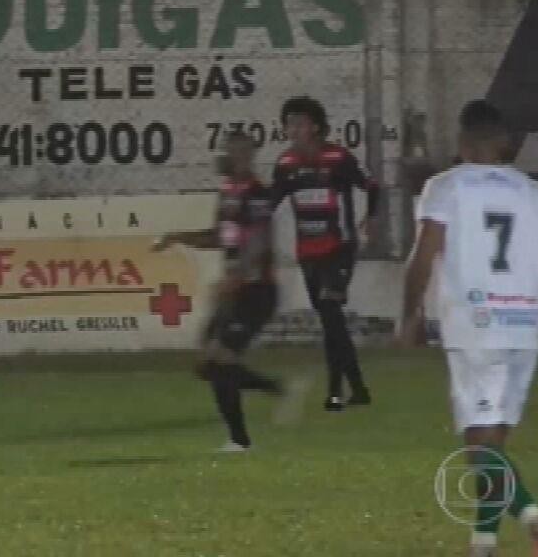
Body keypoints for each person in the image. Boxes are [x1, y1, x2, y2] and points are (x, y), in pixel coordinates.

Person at [400, 100, 538, 557]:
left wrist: (409, 314)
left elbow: (424, 253)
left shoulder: (445, 187)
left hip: (476, 327)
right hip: (523, 330)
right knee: (491, 444)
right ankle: (486, 544)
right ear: (506, 144)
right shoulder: (536, 193)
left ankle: (535, 523)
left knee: (481, 449)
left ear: (463, 143)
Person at [154, 133, 305, 452]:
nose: (232, 157)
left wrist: (236, 277)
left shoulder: (259, 195)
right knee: (207, 365)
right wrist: (178, 237)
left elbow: (259, 243)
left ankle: (240, 440)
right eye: (229, 151)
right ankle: (278, 390)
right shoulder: (228, 193)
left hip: (256, 291)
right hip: (233, 291)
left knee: (221, 359)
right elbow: (219, 237)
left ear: (248, 156)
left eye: (239, 152)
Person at [272, 96, 377, 411]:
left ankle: (335, 392)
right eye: (289, 124)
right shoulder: (286, 164)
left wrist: (371, 217)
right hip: (307, 252)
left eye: (299, 123)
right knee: (331, 321)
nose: (293, 129)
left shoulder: (337, 157)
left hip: (339, 248)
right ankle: (358, 389)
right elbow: (271, 201)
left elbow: (372, 185)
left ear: (315, 127)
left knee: (331, 313)